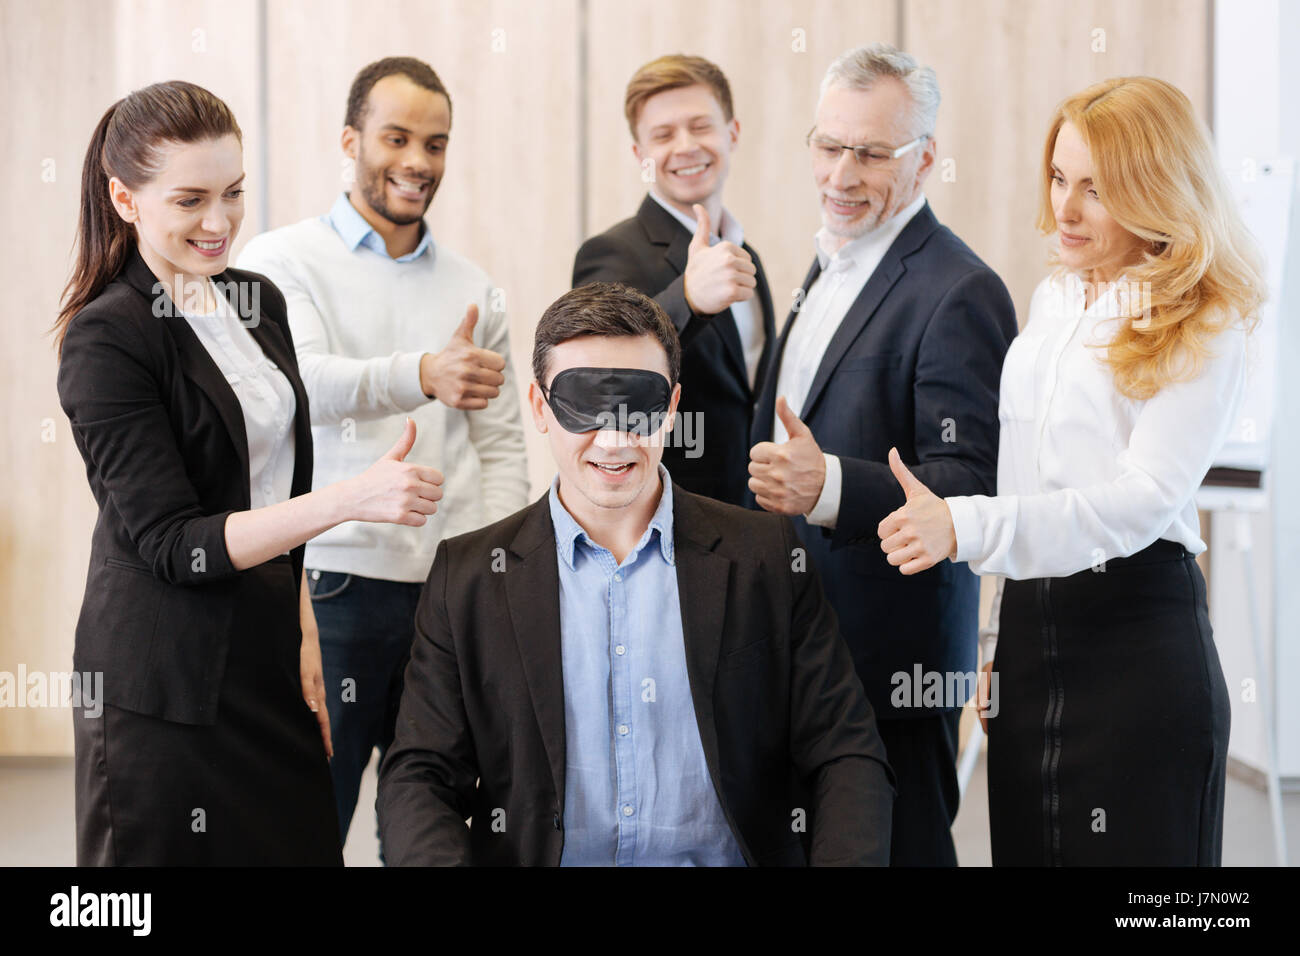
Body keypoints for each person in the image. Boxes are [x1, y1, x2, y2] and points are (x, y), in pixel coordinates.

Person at [55, 80, 445, 866]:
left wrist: (302, 629)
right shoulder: (106, 340)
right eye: (191, 199)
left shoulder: (254, 299)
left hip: (267, 651)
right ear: (125, 200)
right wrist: (353, 499)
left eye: (234, 193)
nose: (220, 222)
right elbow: (175, 544)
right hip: (162, 680)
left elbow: (271, 484)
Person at [878, 76, 1265, 866]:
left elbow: (1140, 501)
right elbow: (1025, 476)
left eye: (1098, 189)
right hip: (1030, 638)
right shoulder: (1054, 298)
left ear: (1157, 191)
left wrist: (965, 525)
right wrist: (995, 641)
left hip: (1138, 649)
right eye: (1059, 179)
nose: (1066, 209)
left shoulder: (1203, 319)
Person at [377, 282, 895, 866]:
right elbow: (420, 778)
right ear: (540, 407)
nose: (615, 440)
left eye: (637, 408)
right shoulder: (468, 578)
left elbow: (846, 753)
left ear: (672, 407)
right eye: (582, 406)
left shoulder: (766, 559)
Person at [238, 56, 528, 849]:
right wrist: (424, 373)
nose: (417, 161)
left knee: (431, 819)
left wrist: (495, 570)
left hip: (447, 595)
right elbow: (301, 386)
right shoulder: (278, 261)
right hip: (332, 589)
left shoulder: (475, 285)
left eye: (435, 144)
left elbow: (502, 444)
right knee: (310, 812)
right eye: (396, 137)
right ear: (349, 140)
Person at [746, 44, 1016, 865]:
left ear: (926, 158)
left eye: (869, 152)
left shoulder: (961, 290)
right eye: (828, 145)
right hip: (797, 647)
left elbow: (965, 484)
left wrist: (827, 483)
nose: (840, 172)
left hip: (893, 670)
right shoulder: (827, 261)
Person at [572, 54, 775, 505]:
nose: (685, 146)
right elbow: (602, 383)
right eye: (662, 135)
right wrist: (687, 299)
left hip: (753, 520)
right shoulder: (609, 253)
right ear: (640, 156)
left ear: (732, 133)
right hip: (665, 520)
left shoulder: (746, 255)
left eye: (701, 126)